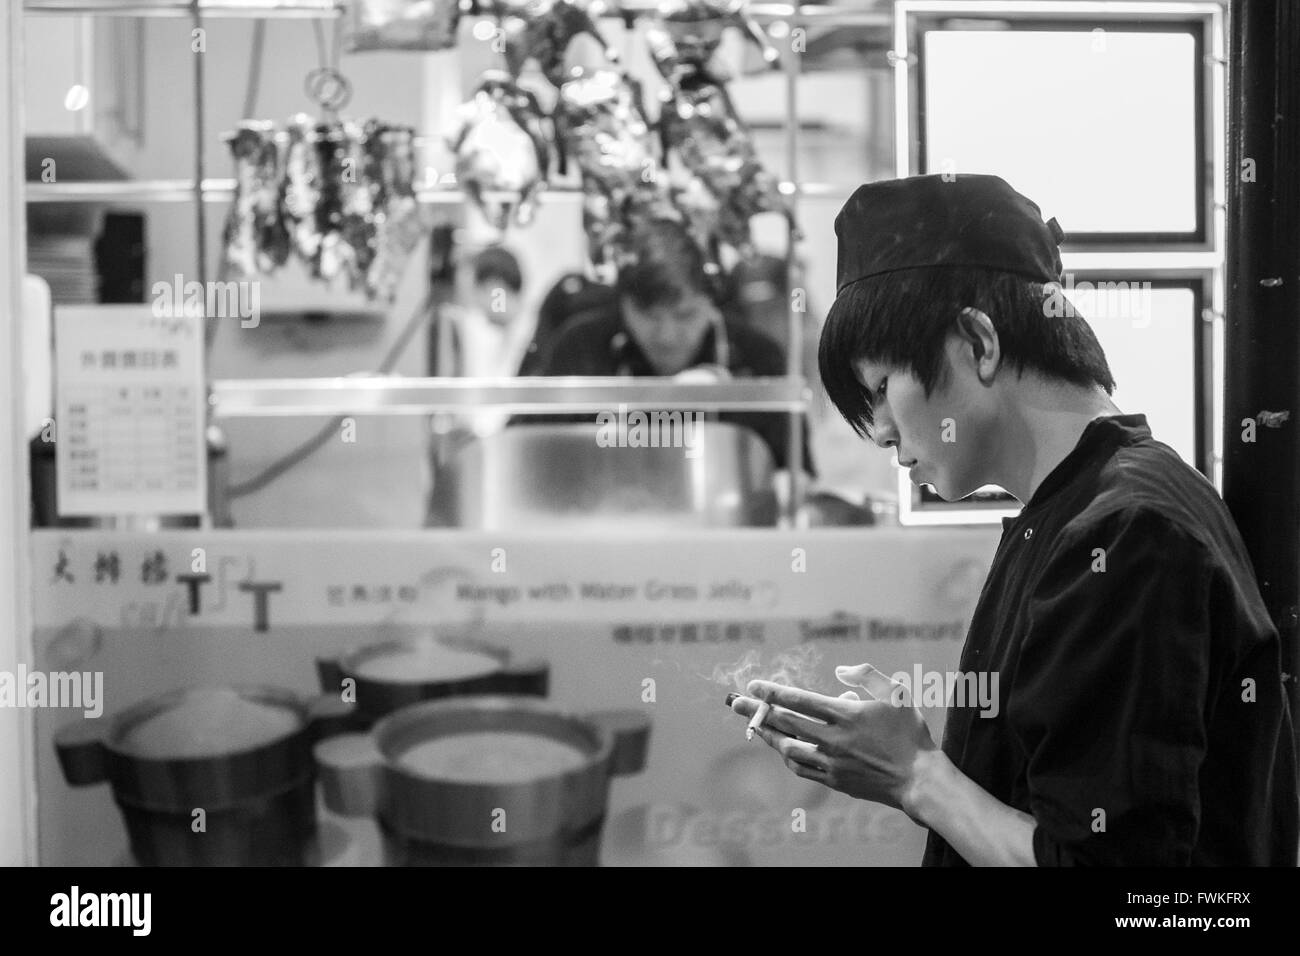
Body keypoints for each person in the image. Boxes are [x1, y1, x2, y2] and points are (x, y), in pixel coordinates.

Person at [730, 173, 1299, 865]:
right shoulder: (1082, 511)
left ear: (979, 341)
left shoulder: (1127, 532)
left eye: (882, 387)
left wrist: (917, 776)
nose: (879, 433)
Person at [531, 218, 814, 475]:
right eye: (649, 317)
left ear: (711, 302)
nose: (666, 336)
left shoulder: (757, 357)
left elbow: (793, 475)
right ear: (623, 304)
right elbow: (532, 459)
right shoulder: (580, 347)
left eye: (685, 315)